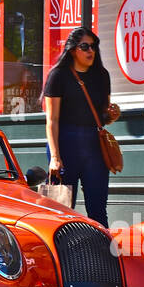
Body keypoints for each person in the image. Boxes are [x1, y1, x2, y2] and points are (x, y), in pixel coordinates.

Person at [43, 27, 120, 229]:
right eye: (84, 46)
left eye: (93, 46)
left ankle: (102, 254)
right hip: (65, 143)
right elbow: (52, 120)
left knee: (98, 209)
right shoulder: (58, 76)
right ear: (72, 50)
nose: (90, 51)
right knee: (61, 209)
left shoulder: (102, 75)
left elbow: (102, 117)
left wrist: (111, 115)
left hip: (94, 145)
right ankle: (61, 256)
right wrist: (54, 157)